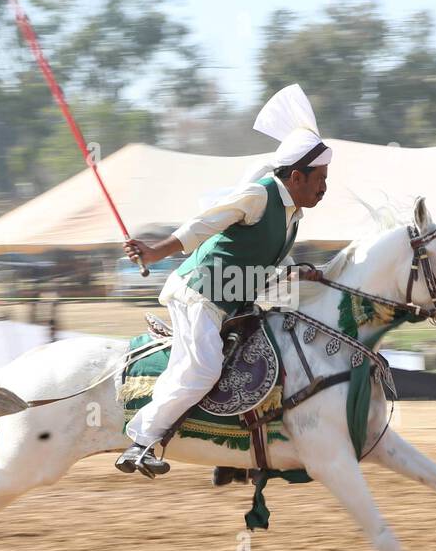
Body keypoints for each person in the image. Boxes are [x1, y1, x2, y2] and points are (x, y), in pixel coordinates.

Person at [115, 84, 330, 477]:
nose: (324, 187)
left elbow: (261, 270)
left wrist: (299, 273)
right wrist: (154, 252)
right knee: (202, 370)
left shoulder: (292, 216)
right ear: (296, 176)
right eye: (320, 178)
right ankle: (140, 442)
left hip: (229, 300)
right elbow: (203, 224)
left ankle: (231, 455)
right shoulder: (260, 196)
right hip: (198, 294)